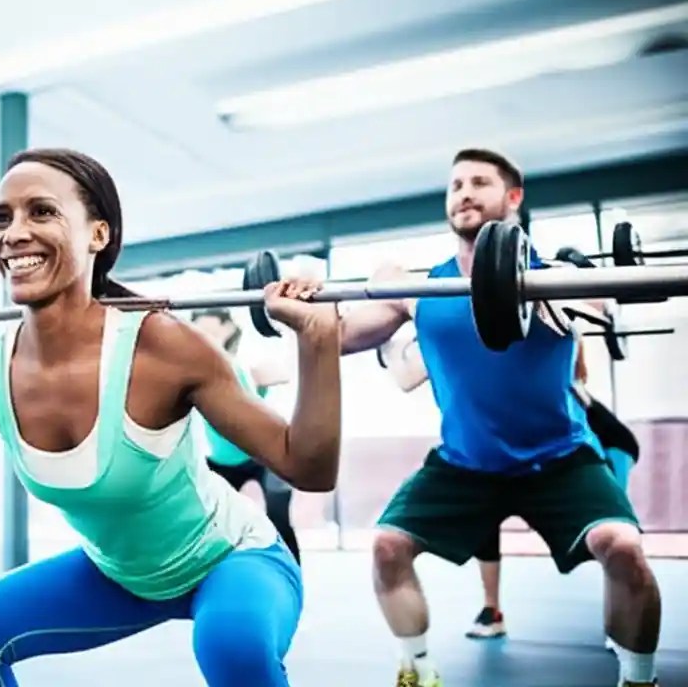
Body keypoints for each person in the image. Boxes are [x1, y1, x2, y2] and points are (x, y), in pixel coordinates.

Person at [0, 147, 343, 686]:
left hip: (232, 559)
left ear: (98, 235)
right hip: (120, 574)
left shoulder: (162, 349)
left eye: (42, 212)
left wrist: (317, 341)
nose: (14, 233)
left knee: (231, 645)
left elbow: (309, 467)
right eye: (2, 217)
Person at [340, 148, 661, 687]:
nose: (464, 193)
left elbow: (600, 304)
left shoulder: (555, 278)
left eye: (480, 183)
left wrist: (564, 295)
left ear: (512, 198)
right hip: (464, 464)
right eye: (456, 185)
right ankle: (417, 669)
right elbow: (339, 335)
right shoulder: (422, 291)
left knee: (624, 548)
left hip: (560, 460)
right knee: (388, 547)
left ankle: (637, 678)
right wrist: (296, 305)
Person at [378, 331, 643, 642]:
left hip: (584, 449)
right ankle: (492, 609)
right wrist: (390, 347)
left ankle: (623, 619)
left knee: (615, 541)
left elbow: (576, 346)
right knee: (483, 524)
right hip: (491, 460)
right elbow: (408, 376)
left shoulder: (548, 343)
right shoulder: (452, 338)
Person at [189, 308, 302, 564]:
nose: (203, 337)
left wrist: (293, 330)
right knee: (212, 525)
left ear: (228, 329)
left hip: (264, 458)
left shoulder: (243, 368)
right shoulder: (192, 375)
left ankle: (290, 573)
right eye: (198, 332)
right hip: (222, 460)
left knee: (279, 518)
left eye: (210, 331)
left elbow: (285, 372)